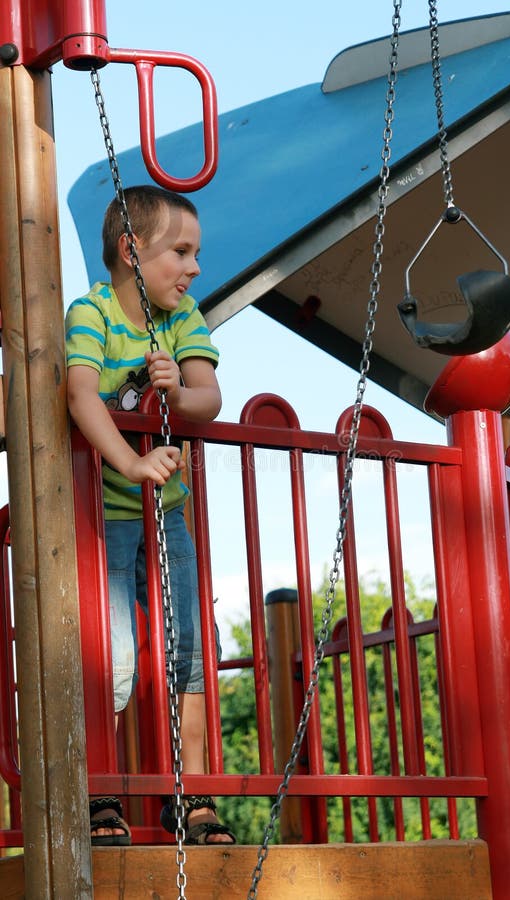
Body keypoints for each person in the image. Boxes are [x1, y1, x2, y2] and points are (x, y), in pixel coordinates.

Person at [65, 184, 235, 846]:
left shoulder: (183, 318)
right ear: (132, 251)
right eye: (182, 252)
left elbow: (210, 400)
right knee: (111, 657)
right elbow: (81, 396)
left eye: (196, 253)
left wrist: (179, 387)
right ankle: (101, 791)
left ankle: (190, 797)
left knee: (190, 647)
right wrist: (130, 464)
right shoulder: (92, 313)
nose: (194, 268)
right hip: (104, 515)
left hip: (167, 515)